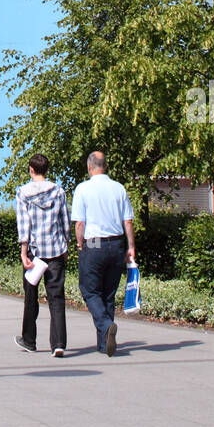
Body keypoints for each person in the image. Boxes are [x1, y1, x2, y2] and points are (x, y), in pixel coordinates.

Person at [71, 151, 136, 356]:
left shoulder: (82, 189)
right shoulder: (119, 188)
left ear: (90, 167)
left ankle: (106, 324)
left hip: (94, 244)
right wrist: (131, 247)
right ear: (105, 166)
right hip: (116, 244)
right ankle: (103, 343)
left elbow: (80, 222)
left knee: (90, 291)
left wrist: (80, 244)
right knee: (108, 293)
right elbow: (128, 221)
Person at [13, 154, 71, 357]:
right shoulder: (58, 191)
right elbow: (65, 221)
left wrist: (23, 250)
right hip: (55, 250)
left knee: (31, 296)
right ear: (46, 170)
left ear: (31, 169)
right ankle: (59, 343)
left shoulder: (22, 193)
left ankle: (29, 340)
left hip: (34, 253)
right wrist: (66, 246)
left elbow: (24, 224)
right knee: (56, 297)